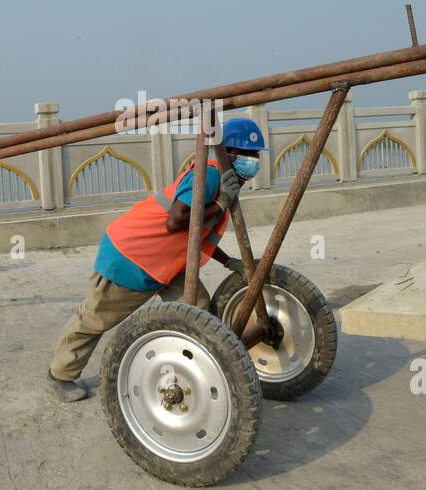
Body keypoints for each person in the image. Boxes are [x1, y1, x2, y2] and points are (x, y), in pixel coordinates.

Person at [47, 116, 266, 402]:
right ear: (230, 154)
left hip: (168, 263)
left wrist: (229, 262)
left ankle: (197, 364)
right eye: (248, 154)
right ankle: (60, 375)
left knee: (198, 309)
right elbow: (177, 221)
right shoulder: (211, 175)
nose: (254, 160)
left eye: (257, 155)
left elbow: (200, 235)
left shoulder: (226, 186)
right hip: (132, 255)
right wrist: (221, 202)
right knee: (95, 319)